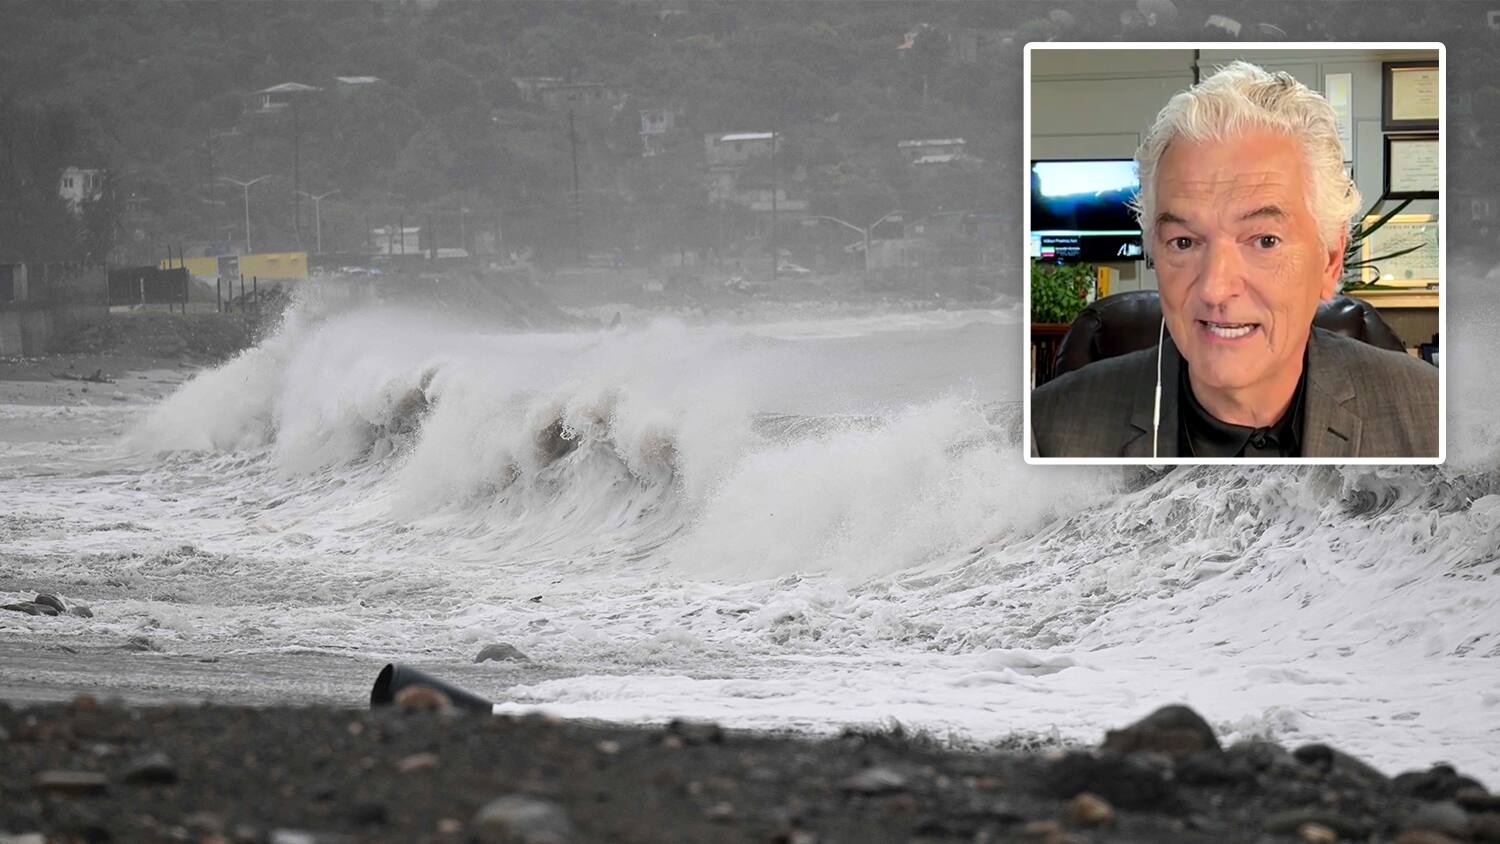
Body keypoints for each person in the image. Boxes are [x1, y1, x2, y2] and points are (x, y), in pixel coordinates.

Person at [1031, 61, 1438, 459]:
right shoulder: (1047, 432)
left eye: (1264, 240)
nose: (1215, 288)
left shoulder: (1435, 421)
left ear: (1330, 260)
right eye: (1184, 242)